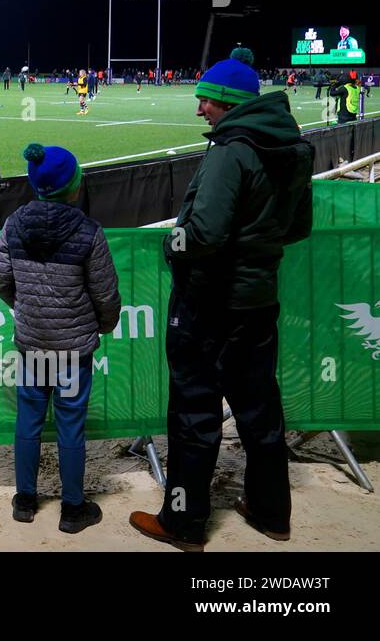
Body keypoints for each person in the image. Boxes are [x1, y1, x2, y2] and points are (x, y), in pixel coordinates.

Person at [130, 47, 312, 551]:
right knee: (260, 410)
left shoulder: (232, 149)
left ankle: (184, 524)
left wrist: (172, 242)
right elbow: (298, 227)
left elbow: (203, 234)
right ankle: (273, 513)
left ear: (227, 102)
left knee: (194, 414)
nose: (199, 110)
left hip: (209, 304)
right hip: (258, 302)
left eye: (205, 99)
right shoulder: (294, 147)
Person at [0, 142, 121, 533]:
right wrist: (102, 324)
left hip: (32, 344)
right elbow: (106, 293)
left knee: (28, 420)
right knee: (70, 425)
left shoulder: (14, 223)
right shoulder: (88, 231)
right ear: (74, 187)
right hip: (73, 350)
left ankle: (26, 502)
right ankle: (72, 508)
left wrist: (23, 306)